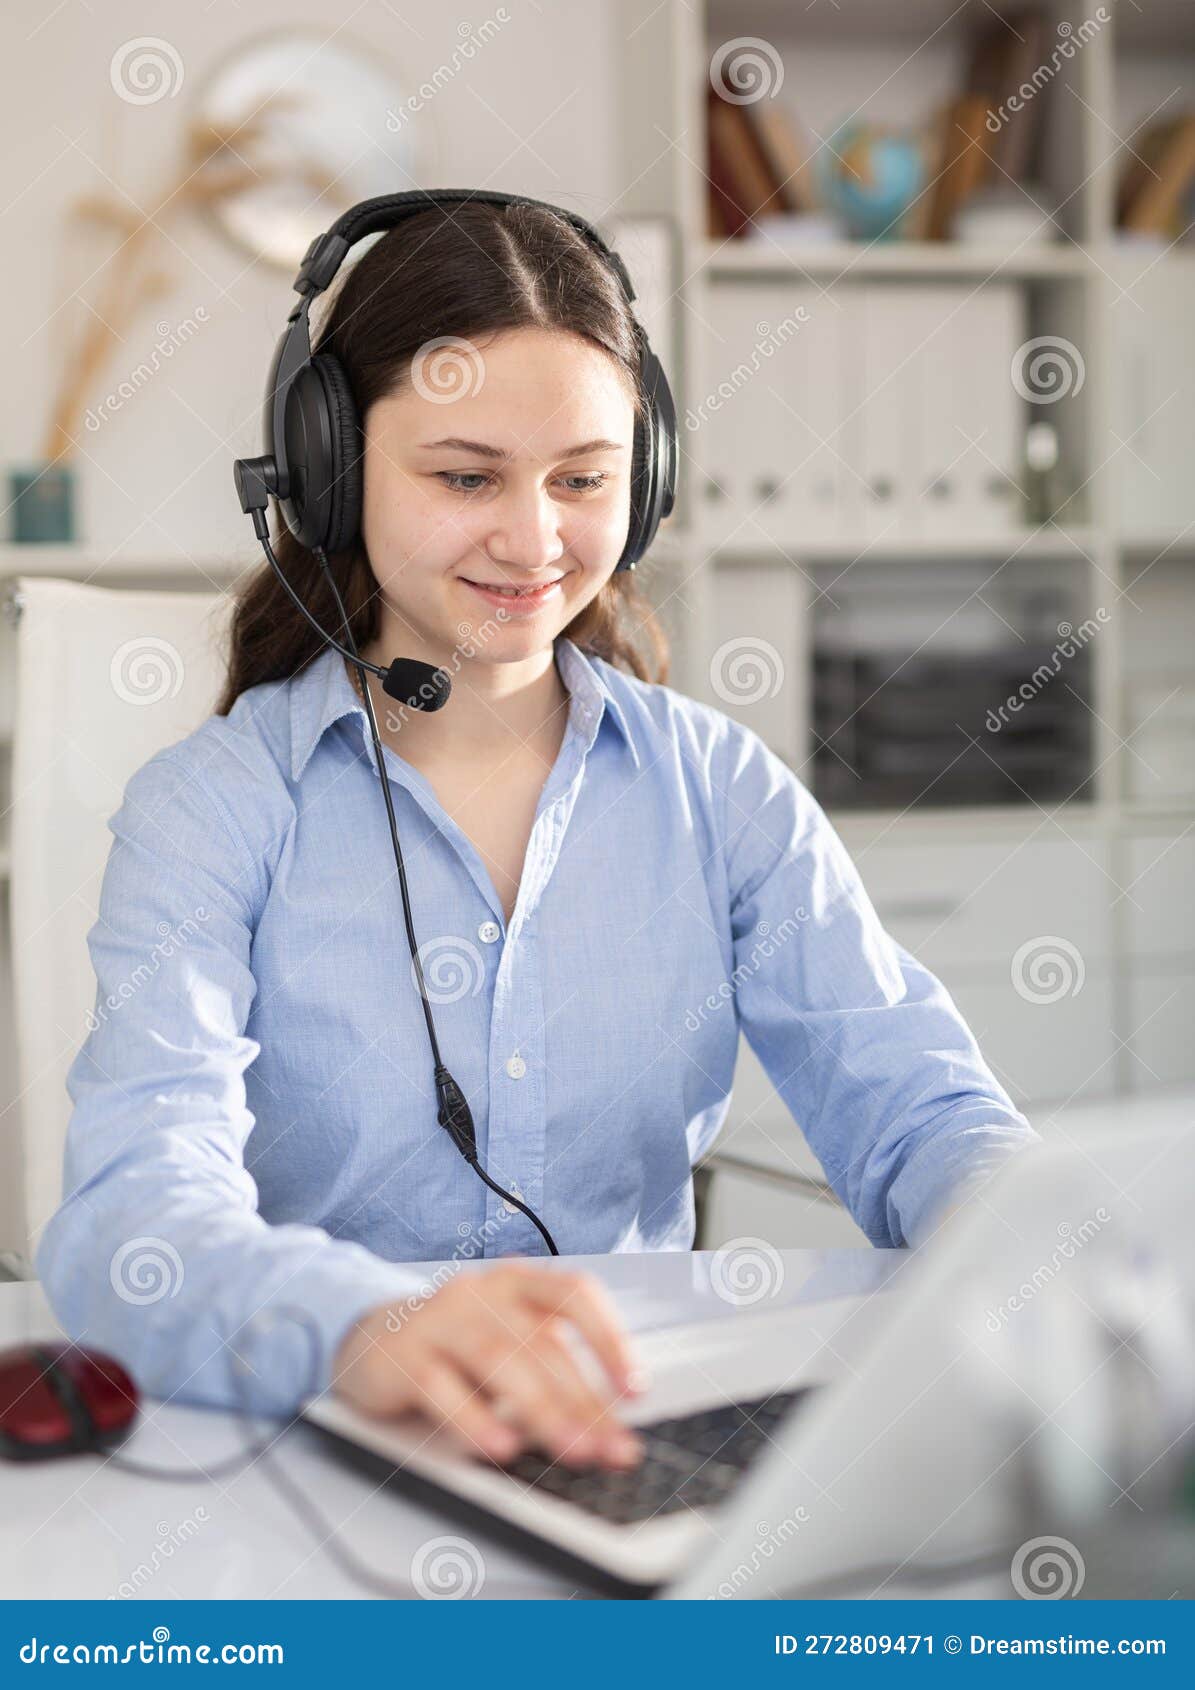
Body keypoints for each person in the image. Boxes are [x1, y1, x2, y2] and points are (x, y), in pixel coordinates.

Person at [37, 198, 1038, 1474]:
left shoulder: (717, 790)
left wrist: (1037, 1247)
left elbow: (918, 1114)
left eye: (582, 478)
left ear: (648, 476)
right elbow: (132, 1218)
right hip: (320, 1453)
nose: (534, 540)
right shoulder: (219, 808)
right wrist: (366, 1325)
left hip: (630, 1433)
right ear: (329, 469)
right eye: (465, 477)